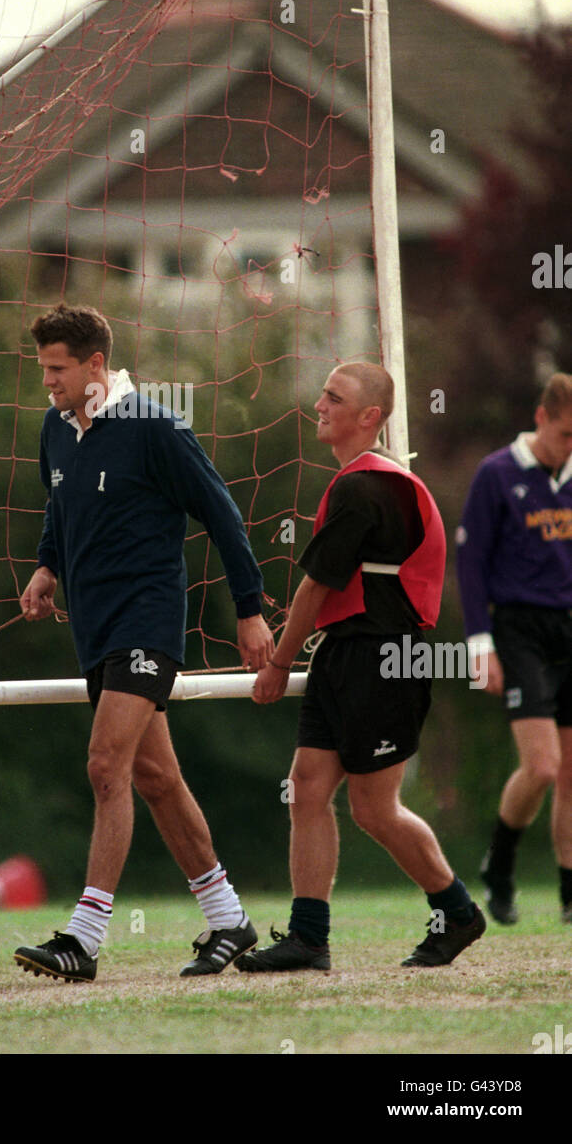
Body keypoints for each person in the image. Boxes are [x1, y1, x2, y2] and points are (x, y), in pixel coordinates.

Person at [14, 304, 274, 981]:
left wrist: (249, 610)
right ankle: (229, 920)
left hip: (148, 621)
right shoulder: (55, 429)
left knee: (106, 766)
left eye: (58, 369)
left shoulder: (155, 427)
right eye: (43, 369)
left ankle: (84, 937)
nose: (48, 382)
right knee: (157, 778)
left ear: (96, 364)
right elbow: (59, 506)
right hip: (96, 628)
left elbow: (221, 512)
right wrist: (46, 568)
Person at [236, 362, 484, 973]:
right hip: (348, 655)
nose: (318, 403)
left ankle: (457, 912)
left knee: (375, 808)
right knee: (309, 788)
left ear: (370, 416)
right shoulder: (359, 482)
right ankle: (308, 939)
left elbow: (316, 589)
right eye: (322, 391)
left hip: (384, 657)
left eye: (333, 396)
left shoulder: (366, 486)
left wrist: (277, 663)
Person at [457, 372, 572, 925]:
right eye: (568, 433)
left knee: (571, 772)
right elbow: (471, 564)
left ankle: (569, 894)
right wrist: (481, 643)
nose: (571, 445)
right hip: (520, 631)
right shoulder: (497, 474)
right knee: (543, 766)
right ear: (542, 418)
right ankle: (499, 865)